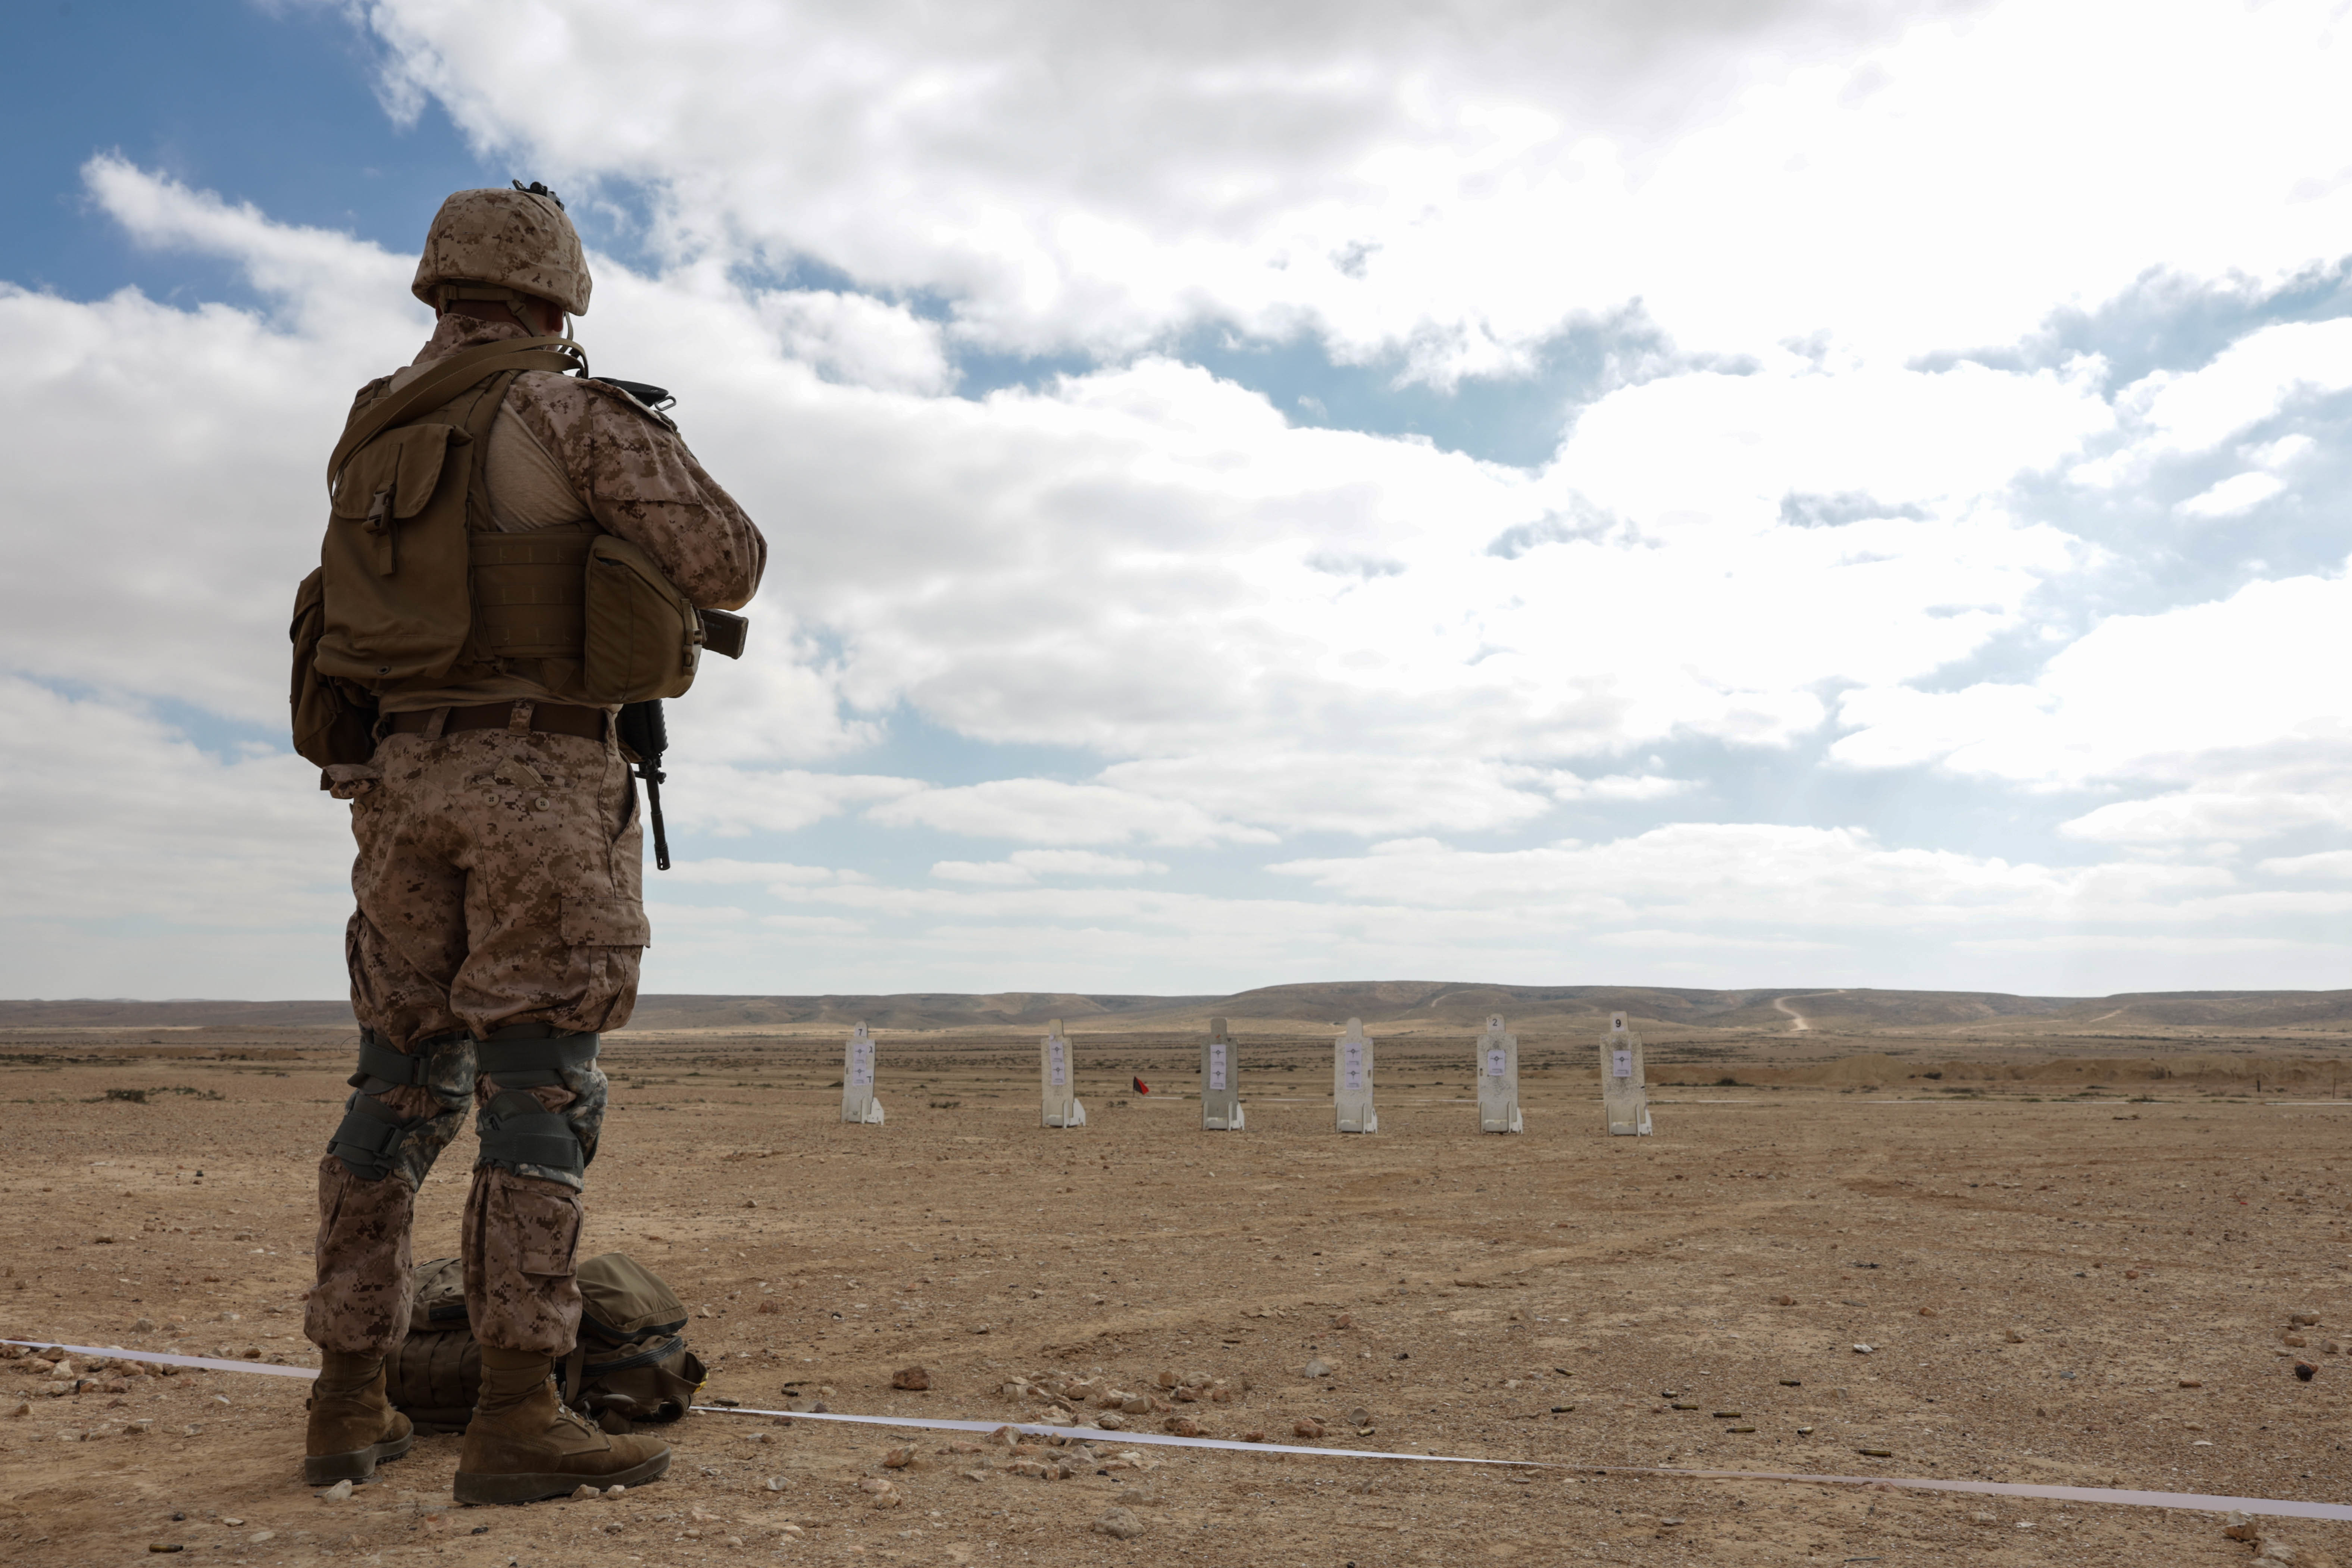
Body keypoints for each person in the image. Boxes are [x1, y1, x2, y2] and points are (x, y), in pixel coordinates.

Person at [294, 182, 766, 1504]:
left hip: (396, 789)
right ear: (560, 291)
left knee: (394, 1089)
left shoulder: (368, 426)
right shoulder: (568, 410)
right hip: (539, 783)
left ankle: (346, 1401)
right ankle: (515, 1413)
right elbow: (728, 560)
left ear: (438, 282)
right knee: (539, 1092)